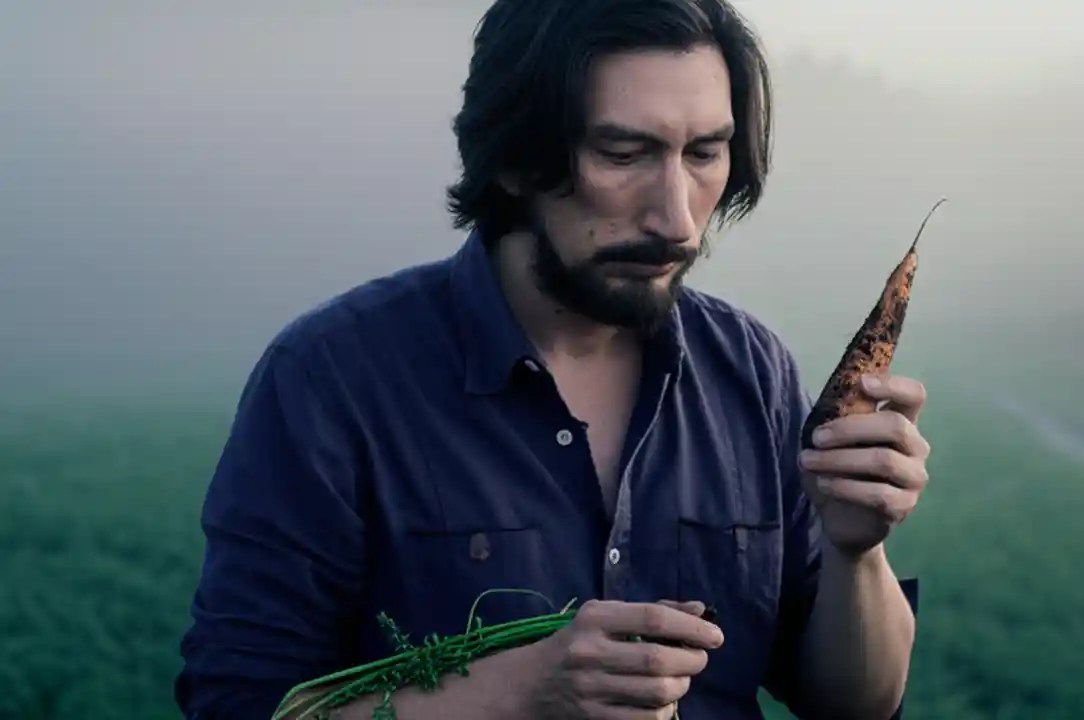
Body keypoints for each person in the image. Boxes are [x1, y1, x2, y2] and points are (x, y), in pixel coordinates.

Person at [174, 0, 930, 718]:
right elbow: (235, 703)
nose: (676, 218)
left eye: (705, 153)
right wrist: (511, 698)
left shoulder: (752, 370)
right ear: (513, 158)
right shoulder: (332, 379)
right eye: (623, 152)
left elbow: (853, 705)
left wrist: (855, 552)